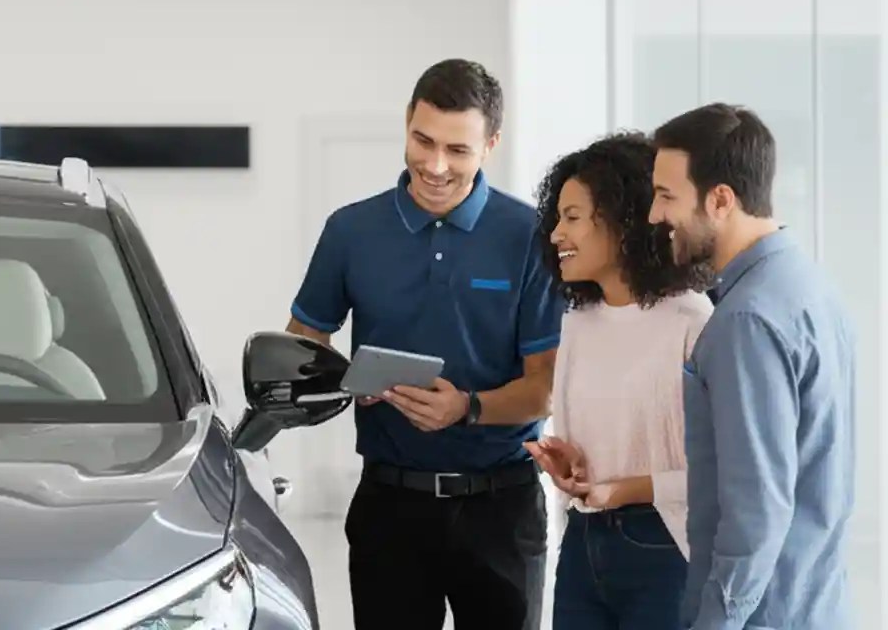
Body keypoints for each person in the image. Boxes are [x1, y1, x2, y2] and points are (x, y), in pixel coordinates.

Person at [286, 58, 565, 630]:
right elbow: (303, 342)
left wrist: (467, 407)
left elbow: (547, 388)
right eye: (422, 140)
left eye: (458, 150)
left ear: (491, 144)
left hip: (502, 508)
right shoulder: (350, 231)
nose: (435, 166)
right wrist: (342, 381)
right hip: (389, 503)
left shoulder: (530, 236)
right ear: (407, 122)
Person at [647, 103, 856, 630]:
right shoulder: (809, 286)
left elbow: (755, 511)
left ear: (720, 200)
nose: (655, 215)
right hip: (815, 606)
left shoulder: (747, 321)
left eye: (667, 196)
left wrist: (715, 623)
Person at [522, 132, 714, 630]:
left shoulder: (692, 321)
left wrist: (625, 489)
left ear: (626, 218)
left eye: (573, 217)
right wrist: (570, 466)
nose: (556, 235)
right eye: (557, 218)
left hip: (667, 547)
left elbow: (725, 475)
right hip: (584, 543)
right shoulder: (578, 321)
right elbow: (592, 456)